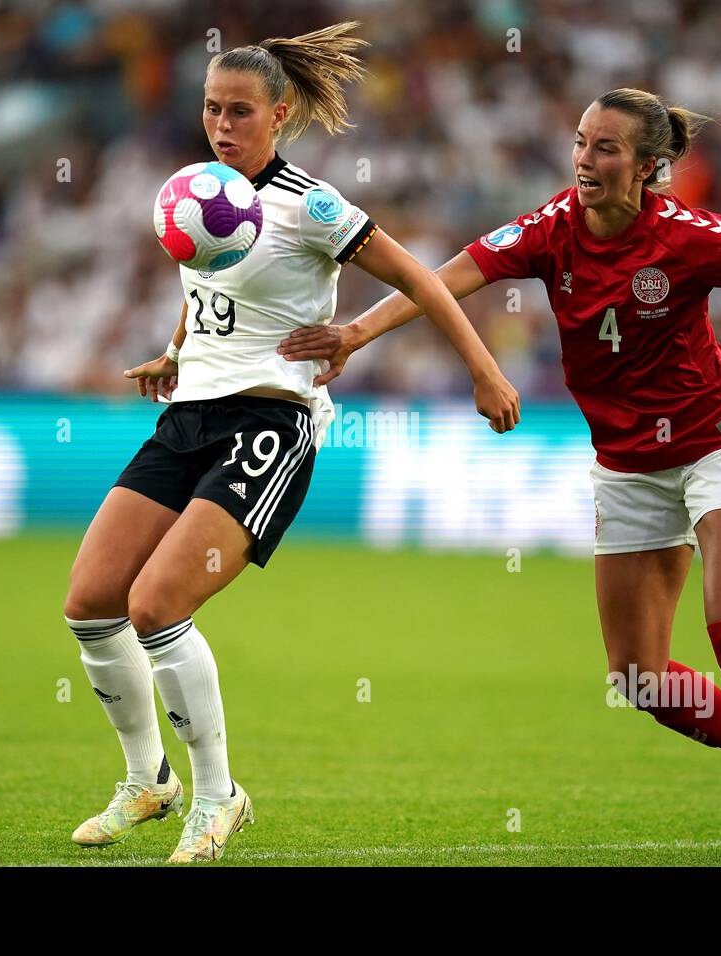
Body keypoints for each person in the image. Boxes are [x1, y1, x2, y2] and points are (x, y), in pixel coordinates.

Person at [278, 87, 721, 864]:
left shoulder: (693, 238)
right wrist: (356, 331)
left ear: (649, 166)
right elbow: (449, 276)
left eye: (606, 149)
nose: (585, 161)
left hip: (720, 441)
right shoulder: (549, 229)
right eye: (582, 143)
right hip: (628, 466)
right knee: (644, 682)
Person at [61, 22, 520, 864]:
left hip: (268, 427)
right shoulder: (197, 190)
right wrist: (175, 352)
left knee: (158, 605)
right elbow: (208, 282)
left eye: (240, 111)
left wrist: (483, 372)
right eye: (210, 109)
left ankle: (217, 799)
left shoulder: (312, 205)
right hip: (188, 417)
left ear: (279, 114)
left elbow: (420, 276)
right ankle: (146, 782)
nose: (223, 126)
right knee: (90, 601)